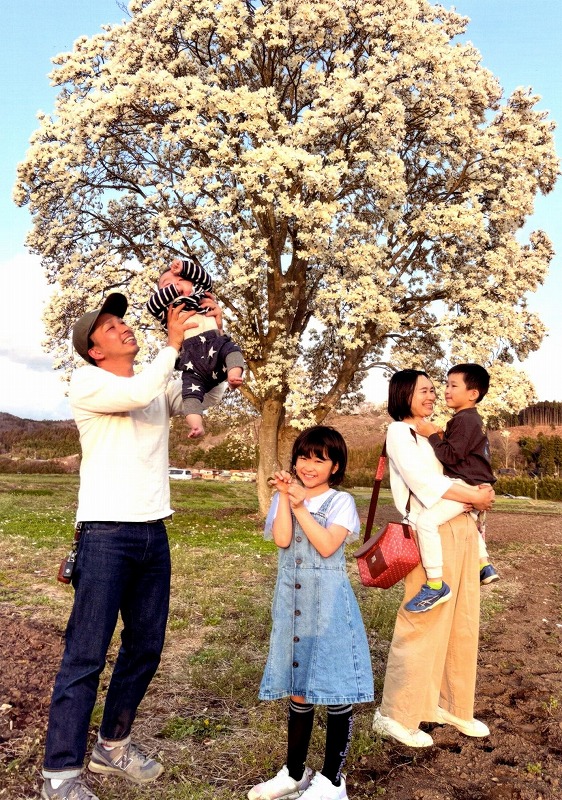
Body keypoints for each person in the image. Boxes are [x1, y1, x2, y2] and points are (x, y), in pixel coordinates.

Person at [41, 291, 221, 800]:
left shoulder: (150, 383)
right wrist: (171, 341)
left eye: (121, 320)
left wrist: (208, 333)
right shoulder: (88, 381)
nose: (122, 326)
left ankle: (112, 744)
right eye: (109, 326)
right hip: (105, 534)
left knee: (145, 646)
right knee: (86, 653)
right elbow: (142, 390)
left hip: (151, 529)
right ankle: (59, 774)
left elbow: (199, 395)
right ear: (95, 349)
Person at [249, 426, 373, 800]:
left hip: (330, 604)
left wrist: (301, 504)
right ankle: (294, 773)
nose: (309, 465)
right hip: (292, 601)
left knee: (335, 688)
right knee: (299, 690)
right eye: (304, 457)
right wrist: (286, 499)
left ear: (335, 466)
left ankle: (333, 781)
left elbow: (325, 544)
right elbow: (283, 540)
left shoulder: (341, 501)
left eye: (320, 459)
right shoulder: (284, 498)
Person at [372, 370, 495, 748]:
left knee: (462, 623)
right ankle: (395, 714)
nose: (432, 396)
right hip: (430, 534)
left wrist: (479, 492)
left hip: (460, 529)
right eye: (424, 390)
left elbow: (461, 466)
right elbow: (425, 485)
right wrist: (475, 496)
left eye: (434, 390)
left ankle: (451, 704)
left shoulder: (437, 430)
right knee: (422, 624)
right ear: (405, 394)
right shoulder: (399, 432)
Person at [405, 363, 500, 613]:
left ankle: (435, 583)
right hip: (476, 481)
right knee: (469, 517)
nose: (446, 390)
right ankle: (484, 564)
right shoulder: (471, 420)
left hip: (464, 482)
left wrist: (431, 435)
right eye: (446, 385)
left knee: (426, 522)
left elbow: (450, 456)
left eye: (453, 385)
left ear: (473, 393)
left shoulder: (463, 420)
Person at [146, 256, 246, 438]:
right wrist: (175, 289)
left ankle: (234, 376)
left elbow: (206, 279)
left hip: (215, 343)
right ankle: (196, 425)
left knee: (232, 350)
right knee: (190, 392)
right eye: (167, 285)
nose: (175, 284)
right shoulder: (168, 310)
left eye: (181, 280)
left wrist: (184, 267)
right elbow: (152, 305)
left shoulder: (201, 297)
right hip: (191, 358)